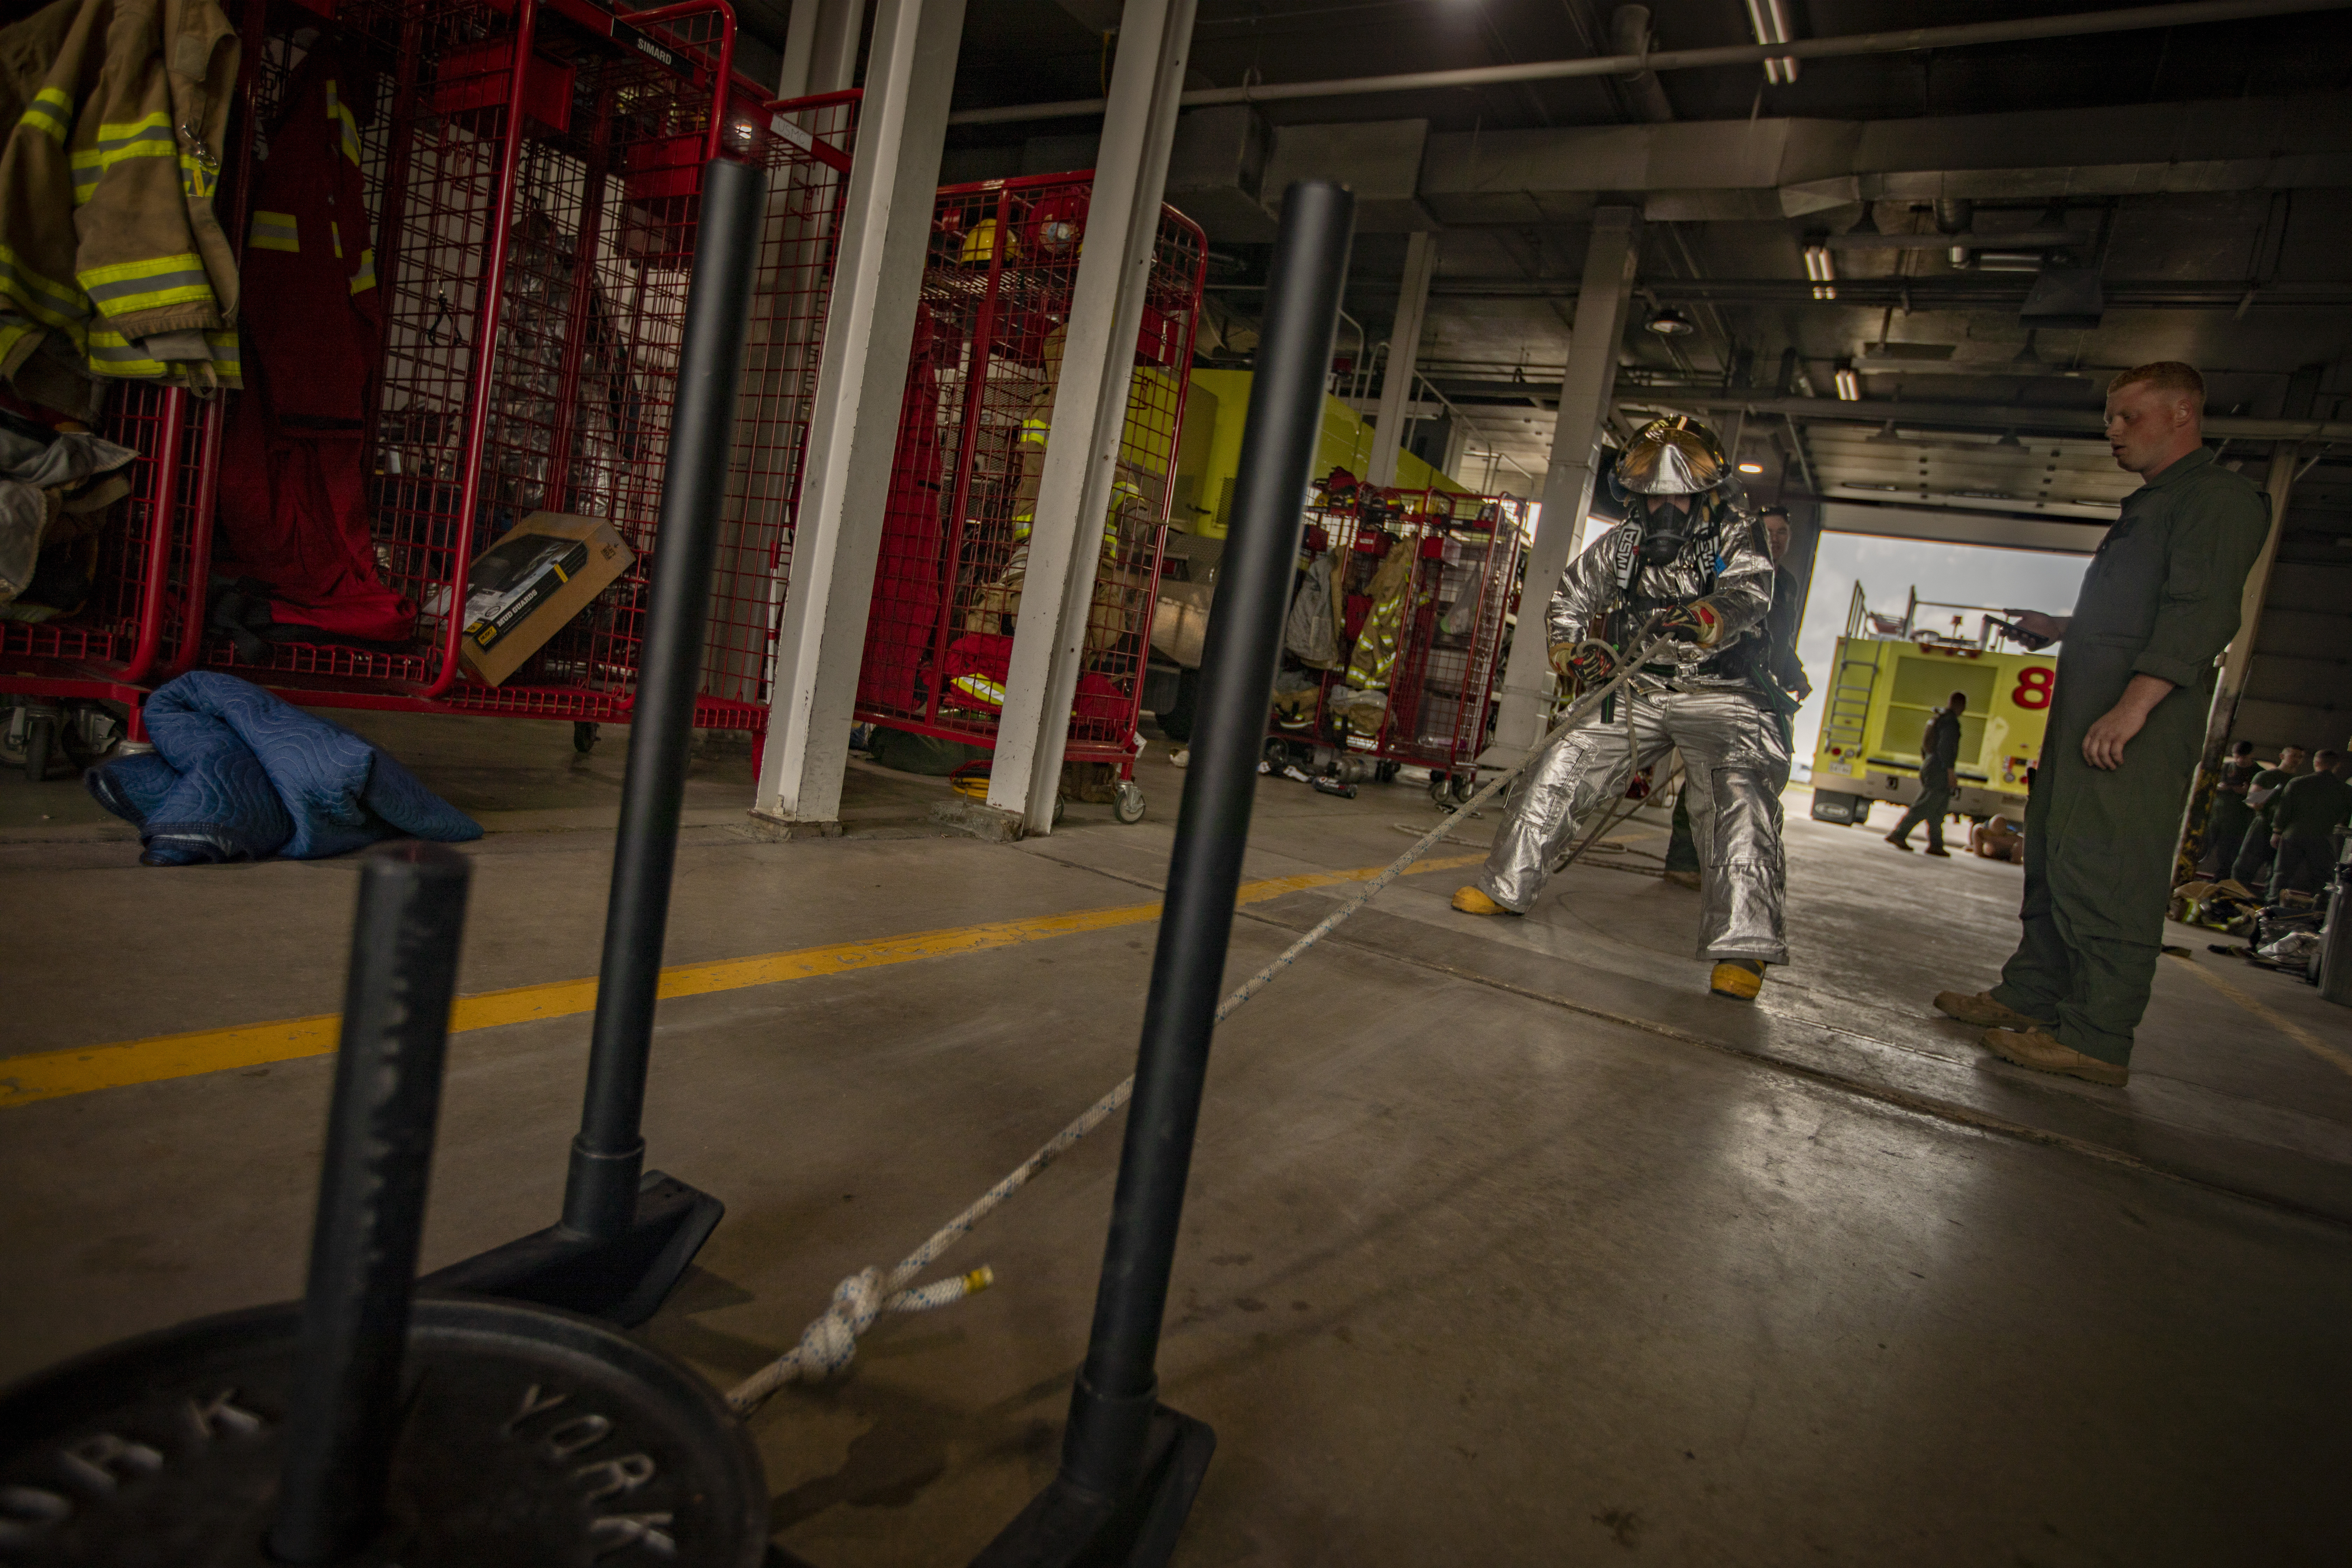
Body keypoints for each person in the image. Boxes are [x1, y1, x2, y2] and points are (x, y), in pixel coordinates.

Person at [1932, 362, 2268, 1086]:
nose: (2112, 431)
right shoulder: (2157, 503)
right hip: (2090, 715)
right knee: (2057, 856)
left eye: (2128, 417)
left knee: (2112, 871)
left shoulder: (2218, 499)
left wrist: (2134, 706)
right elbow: (2136, 612)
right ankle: (2033, 995)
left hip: (2132, 726)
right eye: (2110, 417)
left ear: (2182, 413)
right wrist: (2059, 626)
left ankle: (2098, 1036)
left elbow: (2201, 615)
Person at [1452, 415, 1788, 1001]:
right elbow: (1571, 598)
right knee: (1563, 759)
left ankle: (1744, 948)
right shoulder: (1623, 545)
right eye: (1651, 499)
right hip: (1639, 688)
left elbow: (1752, 592)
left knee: (1741, 800)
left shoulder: (1739, 536)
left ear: (1706, 496)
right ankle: (1506, 885)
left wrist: (1710, 616)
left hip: (1724, 694)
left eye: (1678, 499)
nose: (1664, 512)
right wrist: (1571, 650)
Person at [1663, 503, 1810, 890]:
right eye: (1769, 532)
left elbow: (1782, 640)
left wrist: (1796, 676)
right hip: (1723, 681)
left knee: (1749, 780)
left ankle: (1724, 862)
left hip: (1763, 690)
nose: (1775, 540)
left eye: (1782, 534)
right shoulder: (1726, 571)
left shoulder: (1788, 584)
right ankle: (1684, 860)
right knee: (1706, 774)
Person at [1885, 691, 1967, 857]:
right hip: (1940, 767)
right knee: (1927, 803)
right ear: (1960, 705)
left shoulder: (1937, 719)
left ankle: (1936, 844)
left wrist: (1928, 762)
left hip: (1931, 763)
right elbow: (1946, 749)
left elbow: (1926, 745)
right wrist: (1950, 772)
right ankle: (1899, 834)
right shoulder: (1951, 723)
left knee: (1939, 807)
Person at [2267, 749, 2352, 901]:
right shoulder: (2346, 791)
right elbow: (2347, 818)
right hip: (2324, 838)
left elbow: (2284, 810)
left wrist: (2277, 831)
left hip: (2294, 835)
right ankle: (2320, 910)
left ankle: (2272, 904)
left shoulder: (2298, 783)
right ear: (2337, 766)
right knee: (2323, 878)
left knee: (2282, 874)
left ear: (2316, 763)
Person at [2228, 744, 2308, 890]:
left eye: (2300, 757)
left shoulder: (2299, 783)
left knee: (2276, 872)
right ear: (2282, 756)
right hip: (2262, 826)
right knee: (2244, 866)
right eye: (2294, 755)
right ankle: (2235, 897)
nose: (2297, 759)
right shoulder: (2266, 776)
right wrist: (2258, 803)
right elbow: (2252, 801)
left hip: (2284, 830)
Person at [2196, 739, 2261, 877]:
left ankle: (2220, 884)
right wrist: (2218, 787)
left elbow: (2259, 801)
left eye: (2243, 757)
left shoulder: (2259, 773)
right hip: (2216, 816)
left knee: (2227, 856)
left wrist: (2248, 793)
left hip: (2238, 821)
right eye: (2236, 756)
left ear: (2252, 755)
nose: (2239, 760)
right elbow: (2206, 786)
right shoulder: (2225, 768)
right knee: (2199, 847)